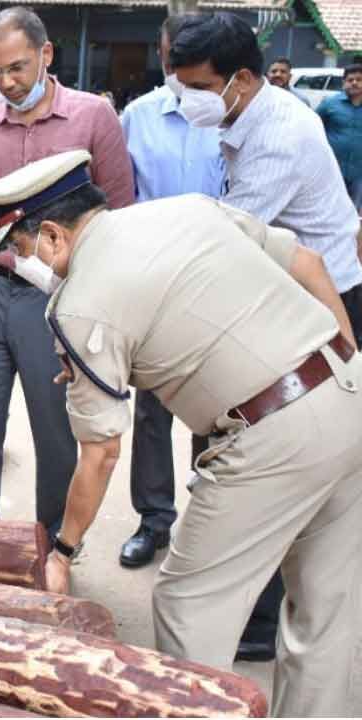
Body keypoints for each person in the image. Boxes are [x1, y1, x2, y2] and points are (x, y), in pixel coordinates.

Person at [0, 149, 361, 718]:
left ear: (53, 236)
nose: (25, 262)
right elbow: (306, 261)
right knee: (325, 609)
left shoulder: (80, 305)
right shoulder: (187, 208)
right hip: (346, 391)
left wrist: (63, 549)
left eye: (22, 248)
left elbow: (103, 451)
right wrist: (347, 359)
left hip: (270, 437)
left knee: (188, 602)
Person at [170, 11, 362, 662]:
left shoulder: (279, 133)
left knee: (280, 458)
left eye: (196, 87)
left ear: (243, 79)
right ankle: (260, 607)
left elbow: (231, 240)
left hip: (322, 306)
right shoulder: (243, 117)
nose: (184, 100)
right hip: (283, 295)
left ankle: (265, 619)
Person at [0, 6, 134, 537]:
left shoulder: (92, 118)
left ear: (46, 55)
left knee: (56, 432)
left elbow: (120, 213)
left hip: (57, 299)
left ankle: (52, 550)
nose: (6, 83)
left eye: (17, 68)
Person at [116, 13, 224, 570]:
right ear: (161, 54)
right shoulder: (136, 118)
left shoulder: (230, 118)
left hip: (222, 286)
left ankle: (207, 525)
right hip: (155, 288)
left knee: (220, 410)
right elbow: (121, 201)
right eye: (170, 54)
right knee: (152, 412)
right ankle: (154, 521)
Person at [317, 64, 362, 212]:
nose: (354, 83)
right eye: (350, 80)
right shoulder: (329, 104)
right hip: (332, 170)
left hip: (359, 174)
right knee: (328, 211)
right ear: (344, 83)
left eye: (359, 79)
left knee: (352, 214)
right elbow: (313, 127)